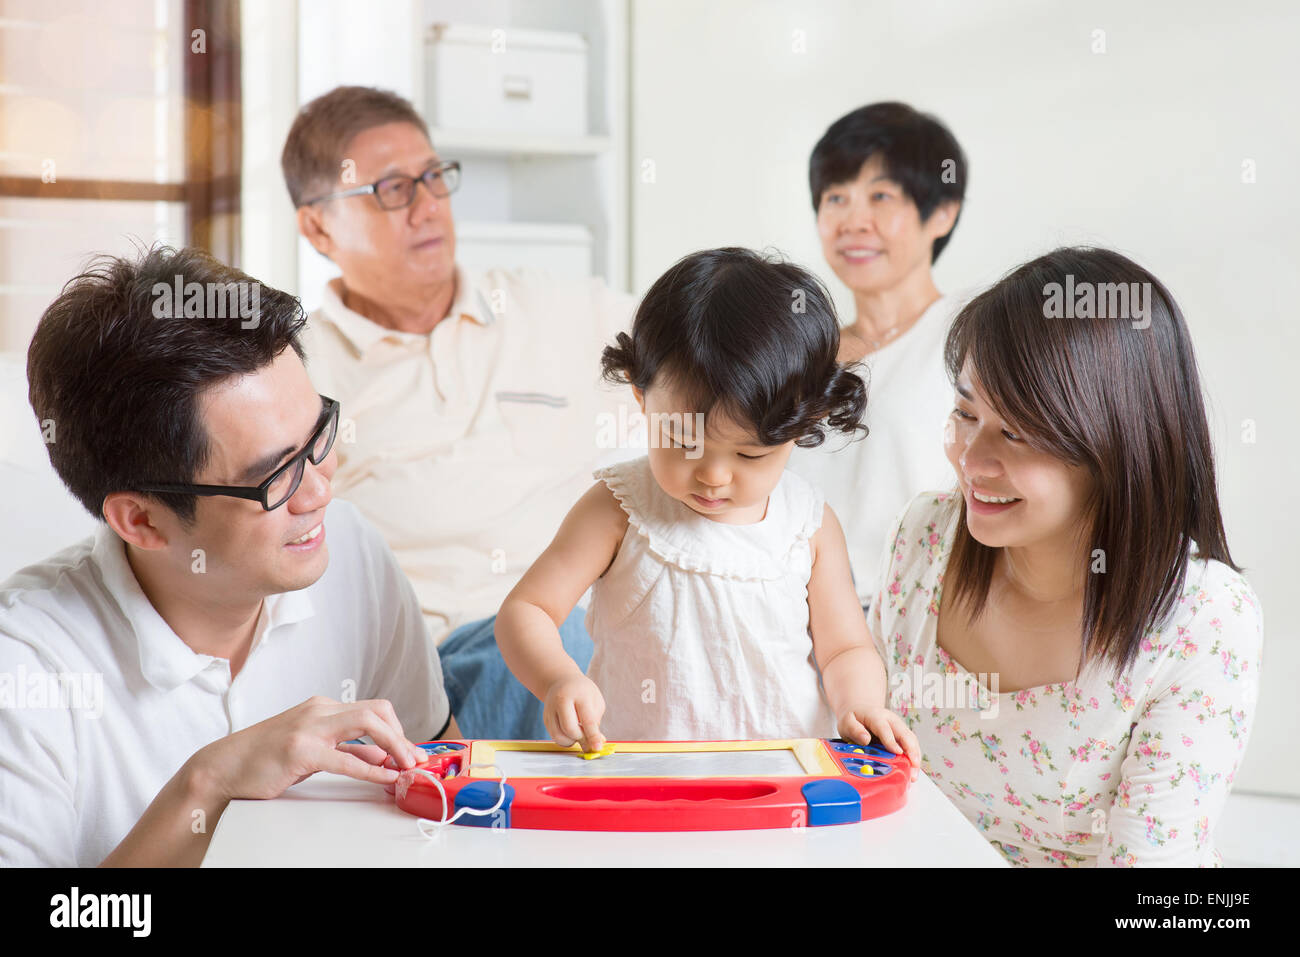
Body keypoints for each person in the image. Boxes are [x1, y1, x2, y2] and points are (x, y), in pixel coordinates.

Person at [0, 246, 455, 867]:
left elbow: (447, 789)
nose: (321, 491)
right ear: (142, 520)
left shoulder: (349, 552)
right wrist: (209, 784)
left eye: (319, 437)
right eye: (276, 476)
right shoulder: (27, 670)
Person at [873, 246, 1263, 866]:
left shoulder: (1201, 620)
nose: (970, 461)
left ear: (1115, 445)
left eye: (1017, 434)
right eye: (966, 413)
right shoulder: (927, 538)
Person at [282, 85, 634, 738]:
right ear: (318, 225)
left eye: (434, 177)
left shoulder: (553, 311)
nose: (427, 207)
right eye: (391, 188)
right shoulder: (300, 373)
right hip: (443, 663)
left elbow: (713, 348)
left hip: (593, 631)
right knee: (566, 660)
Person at [494, 247, 921, 762]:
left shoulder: (807, 524)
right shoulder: (620, 508)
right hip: (643, 777)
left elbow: (846, 648)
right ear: (641, 395)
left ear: (802, 427)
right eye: (683, 441)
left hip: (784, 778)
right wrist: (558, 678)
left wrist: (860, 703)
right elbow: (528, 610)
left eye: (750, 453)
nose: (714, 476)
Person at [788, 102, 969, 609]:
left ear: (942, 212)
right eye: (836, 197)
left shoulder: (972, 329)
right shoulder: (798, 350)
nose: (853, 221)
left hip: (916, 616)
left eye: (881, 196)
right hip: (787, 616)